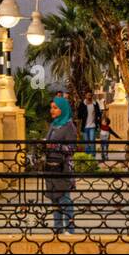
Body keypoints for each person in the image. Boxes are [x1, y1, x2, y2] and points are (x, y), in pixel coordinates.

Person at [44, 97, 78, 234]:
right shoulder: (54, 125)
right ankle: (58, 229)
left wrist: (55, 145)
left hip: (63, 167)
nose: (51, 110)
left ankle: (70, 230)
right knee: (54, 198)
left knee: (65, 198)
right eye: (51, 107)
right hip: (51, 166)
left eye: (55, 107)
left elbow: (72, 148)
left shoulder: (69, 126)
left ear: (63, 110)